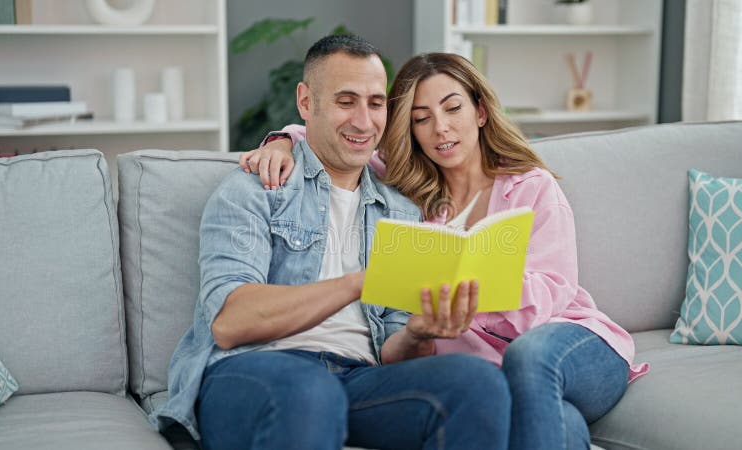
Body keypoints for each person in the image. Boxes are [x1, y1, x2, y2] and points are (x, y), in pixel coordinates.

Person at [241, 52, 650, 450]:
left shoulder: (531, 186)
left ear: (480, 112)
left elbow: (553, 293)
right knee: (560, 420)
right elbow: (336, 139)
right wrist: (282, 142)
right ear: (410, 130)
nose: (440, 128)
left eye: (453, 108)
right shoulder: (406, 194)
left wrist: (471, 289)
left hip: (570, 343)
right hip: (493, 372)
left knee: (529, 358)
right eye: (422, 118)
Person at [152, 36, 512, 450]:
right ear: (306, 102)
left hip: (359, 380)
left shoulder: (401, 210)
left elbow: (396, 350)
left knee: (477, 382)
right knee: (309, 391)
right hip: (254, 371)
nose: (364, 122)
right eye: (346, 101)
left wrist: (418, 334)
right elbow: (231, 322)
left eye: (376, 103)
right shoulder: (256, 189)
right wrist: (358, 282)